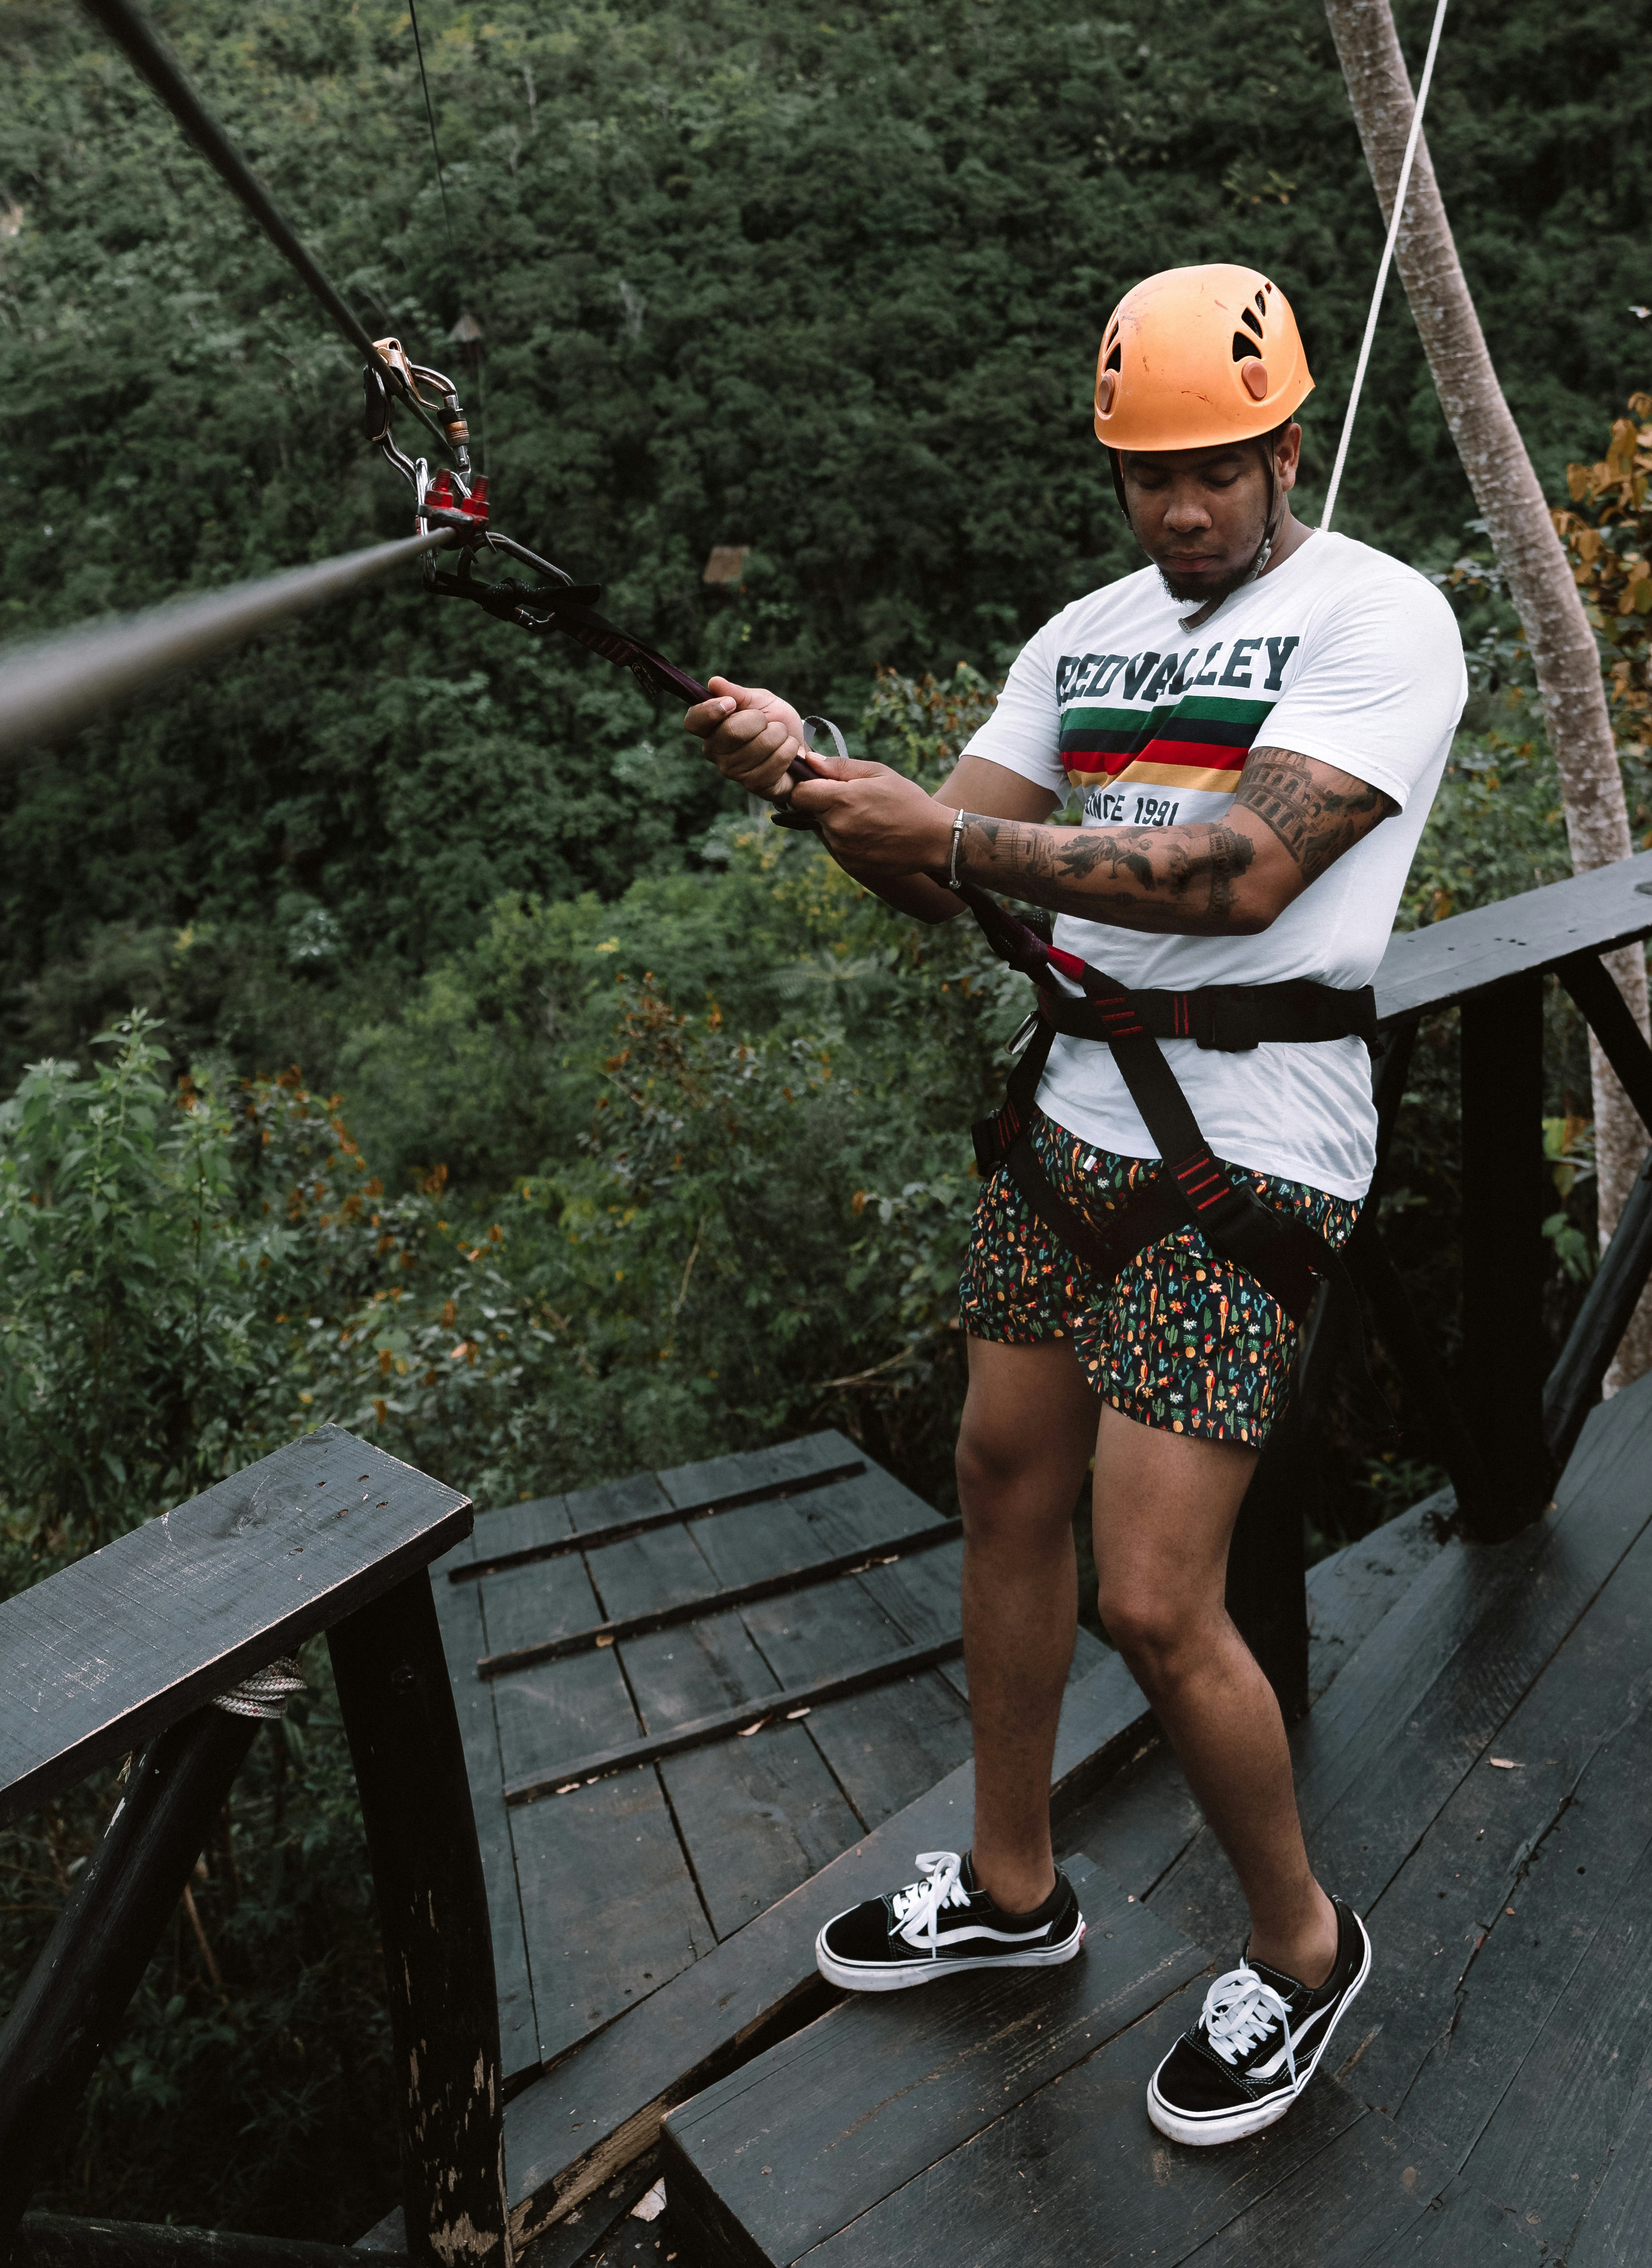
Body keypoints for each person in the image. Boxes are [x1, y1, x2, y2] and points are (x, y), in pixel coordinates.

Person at [684, 263, 1465, 2148]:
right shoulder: (1086, 634)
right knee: (1003, 1489)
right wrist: (817, 781)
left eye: (1214, 470)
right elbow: (948, 877)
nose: (1182, 509)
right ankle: (1017, 1893)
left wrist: (948, 836)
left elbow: (1240, 873)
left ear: (1285, 447)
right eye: (1146, 476)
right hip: (1071, 1119)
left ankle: (1300, 1949)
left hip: (1253, 1153)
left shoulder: (1382, 618)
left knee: (1152, 1592)